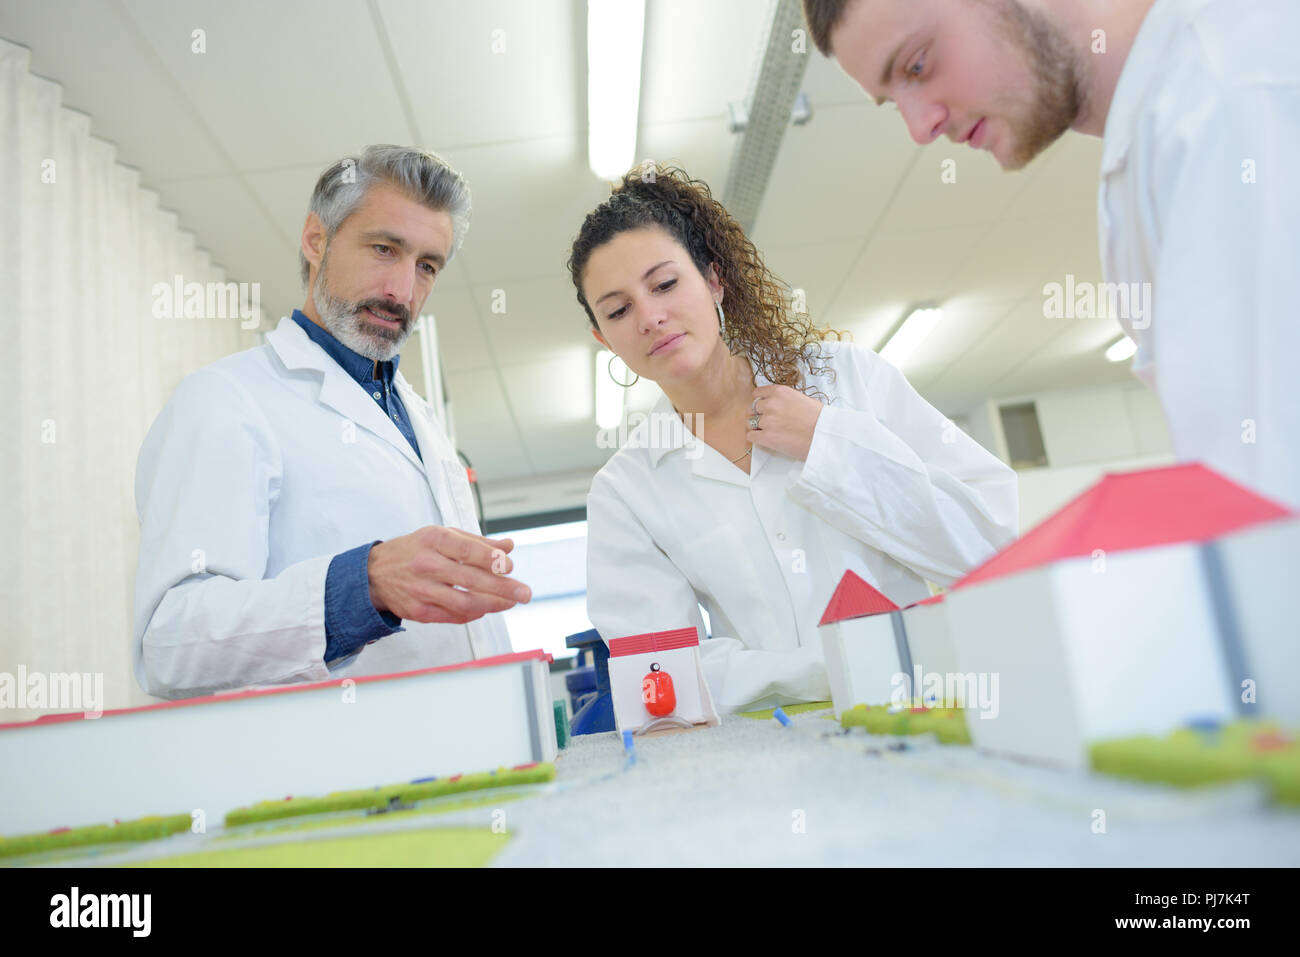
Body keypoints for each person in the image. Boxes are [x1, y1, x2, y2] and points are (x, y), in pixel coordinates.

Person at [803, 0, 1300, 508]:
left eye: (917, 65)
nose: (919, 127)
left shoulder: (1230, 98)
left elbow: (1275, 497)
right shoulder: (1147, 151)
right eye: (893, 101)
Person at [569, 165, 1017, 712]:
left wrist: (830, 444)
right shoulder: (627, 490)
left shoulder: (847, 382)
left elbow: (990, 547)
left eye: (665, 284)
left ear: (713, 281)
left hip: (932, 717)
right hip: (775, 753)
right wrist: (839, 667)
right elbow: (660, 677)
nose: (651, 317)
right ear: (602, 336)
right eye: (618, 310)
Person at [133, 145, 531, 700]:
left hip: (480, 754)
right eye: (384, 249)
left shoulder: (414, 414)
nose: (402, 291)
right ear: (316, 240)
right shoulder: (225, 400)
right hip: (343, 771)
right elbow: (171, 642)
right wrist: (363, 586)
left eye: (426, 266)